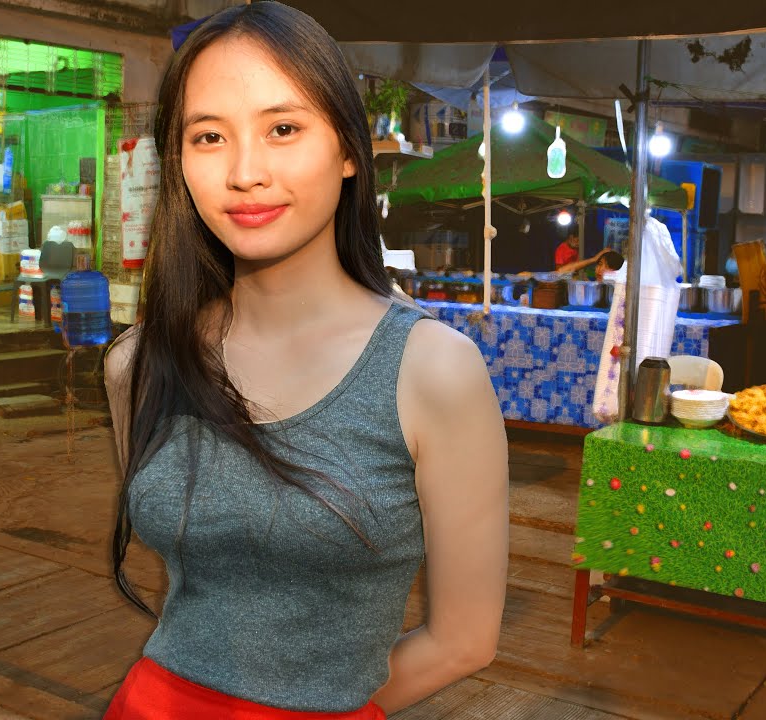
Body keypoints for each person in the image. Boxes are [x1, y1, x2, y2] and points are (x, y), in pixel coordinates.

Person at [102, 4, 508, 718]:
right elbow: (201, 589)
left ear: (348, 149)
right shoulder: (136, 365)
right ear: (180, 162)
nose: (246, 172)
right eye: (208, 137)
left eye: (283, 128)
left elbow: (464, 640)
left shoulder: (432, 370)